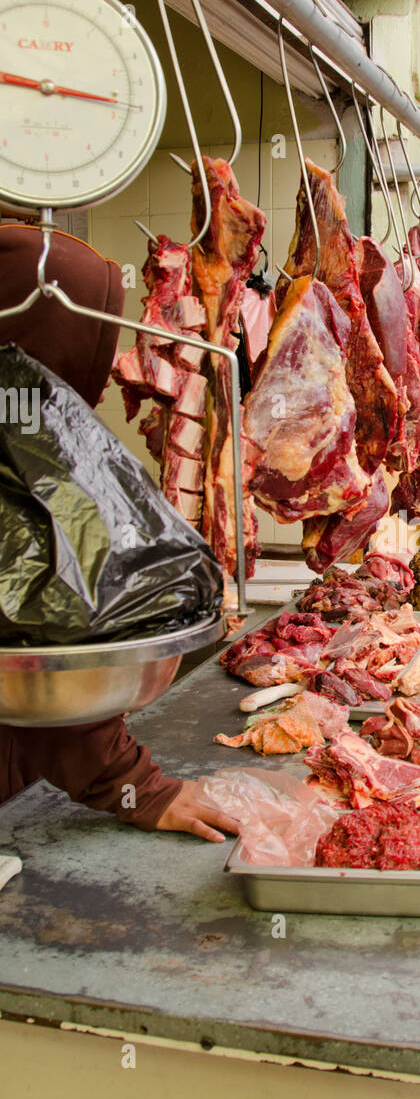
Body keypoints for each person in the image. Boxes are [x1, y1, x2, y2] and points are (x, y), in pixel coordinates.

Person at [0, 224, 238, 844]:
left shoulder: (31, 449)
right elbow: (46, 665)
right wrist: (138, 788)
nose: (105, 376)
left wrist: (136, 787)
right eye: (91, 343)